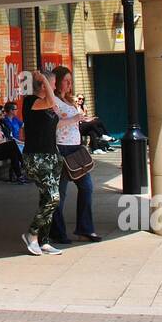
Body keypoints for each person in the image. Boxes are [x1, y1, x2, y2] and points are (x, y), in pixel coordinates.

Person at [48, 67, 102, 245]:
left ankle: (85, 229)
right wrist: (75, 119)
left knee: (86, 187)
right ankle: (57, 231)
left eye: (71, 80)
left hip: (76, 149)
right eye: (66, 80)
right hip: (61, 149)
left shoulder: (69, 100)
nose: (69, 84)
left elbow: (73, 121)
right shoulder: (52, 100)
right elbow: (52, 125)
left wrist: (82, 120)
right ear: (57, 82)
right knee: (60, 193)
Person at [21, 70, 64, 256]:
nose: (54, 87)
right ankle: (31, 233)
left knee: (46, 199)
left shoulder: (47, 106)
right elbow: (51, 100)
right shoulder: (31, 102)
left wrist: (77, 119)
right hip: (36, 157)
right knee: (54, 198)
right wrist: (44, 80)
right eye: (52, 83)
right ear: (43, 84)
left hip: (52, 156)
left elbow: (56, 123)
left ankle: (44, 241)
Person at [0, 105, 24, 183]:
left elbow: (2, 138)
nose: (1, 116)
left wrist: (1, 140)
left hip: (0, 148)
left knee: (14, 153)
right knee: (12, 144)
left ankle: (19, 176)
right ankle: (23, 164)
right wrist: (1, 140)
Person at [1, 102, 27, 181]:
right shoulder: (5, 120)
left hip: (18, 142)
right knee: (18, 150)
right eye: (15, 109)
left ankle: (21, 172)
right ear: (11, 110)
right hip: (11, 142)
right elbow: (8, 135)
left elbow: (24, 126)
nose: (17, 110)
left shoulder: (15, 119)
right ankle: (18, 172)